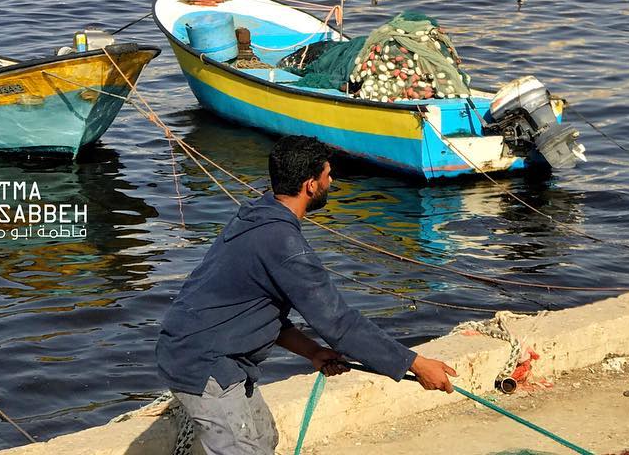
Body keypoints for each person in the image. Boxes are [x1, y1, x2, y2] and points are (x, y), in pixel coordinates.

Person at [157, 136, 456, 454]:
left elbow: (259, 311)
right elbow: (341, 325)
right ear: (311, 186)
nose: (332, 181)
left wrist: (313, 352)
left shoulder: (255, 214)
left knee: (264, 439)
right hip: (204, 362)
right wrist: (414, 363)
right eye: (328, 175)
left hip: (211, 352)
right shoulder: (286, 246)